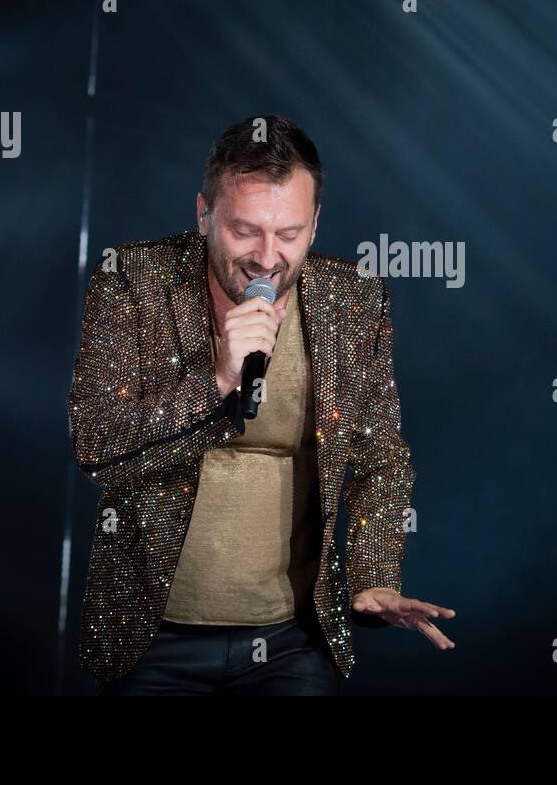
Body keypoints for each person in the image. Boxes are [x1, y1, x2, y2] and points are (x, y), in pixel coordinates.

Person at [68, 114, 455, 694]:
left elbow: (381, 457)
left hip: (291, 643)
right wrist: (219, 376)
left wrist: (375, 573)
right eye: (245, 231)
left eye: (289, 234)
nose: (267, 258)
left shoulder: (353, 300)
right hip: (154, 640)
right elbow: (97, 446)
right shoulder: (132, 279)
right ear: (204, 214)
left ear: (316, 224)